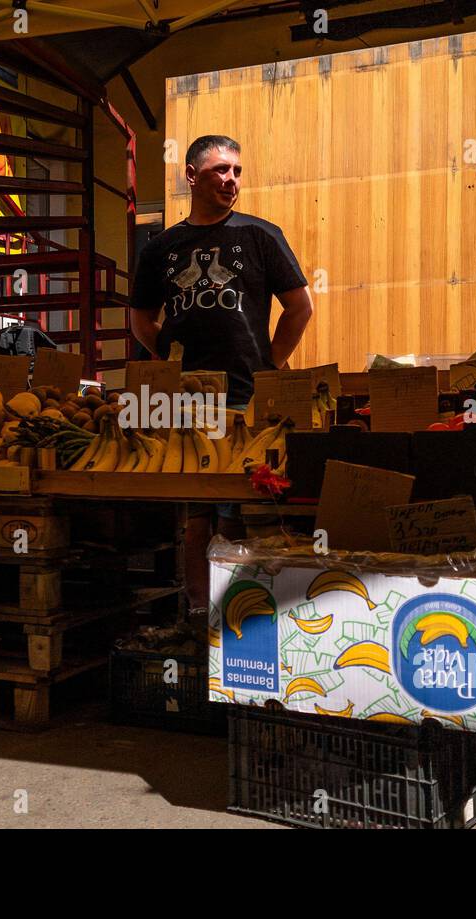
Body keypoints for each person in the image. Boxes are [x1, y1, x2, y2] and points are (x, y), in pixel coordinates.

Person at [129, 134, 313, 618]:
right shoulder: (162, 247)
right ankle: (197, 612)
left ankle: (239, 614)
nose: (230, 180)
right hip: (187, 401)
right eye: (219, 171)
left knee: (239, 511)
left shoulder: (260, 235)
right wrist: (170, 359)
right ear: (191, 176)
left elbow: (299, 307)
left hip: (246, 397)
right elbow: (141, 318)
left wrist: (269, 364)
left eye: (236, 171)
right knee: (195, 513)